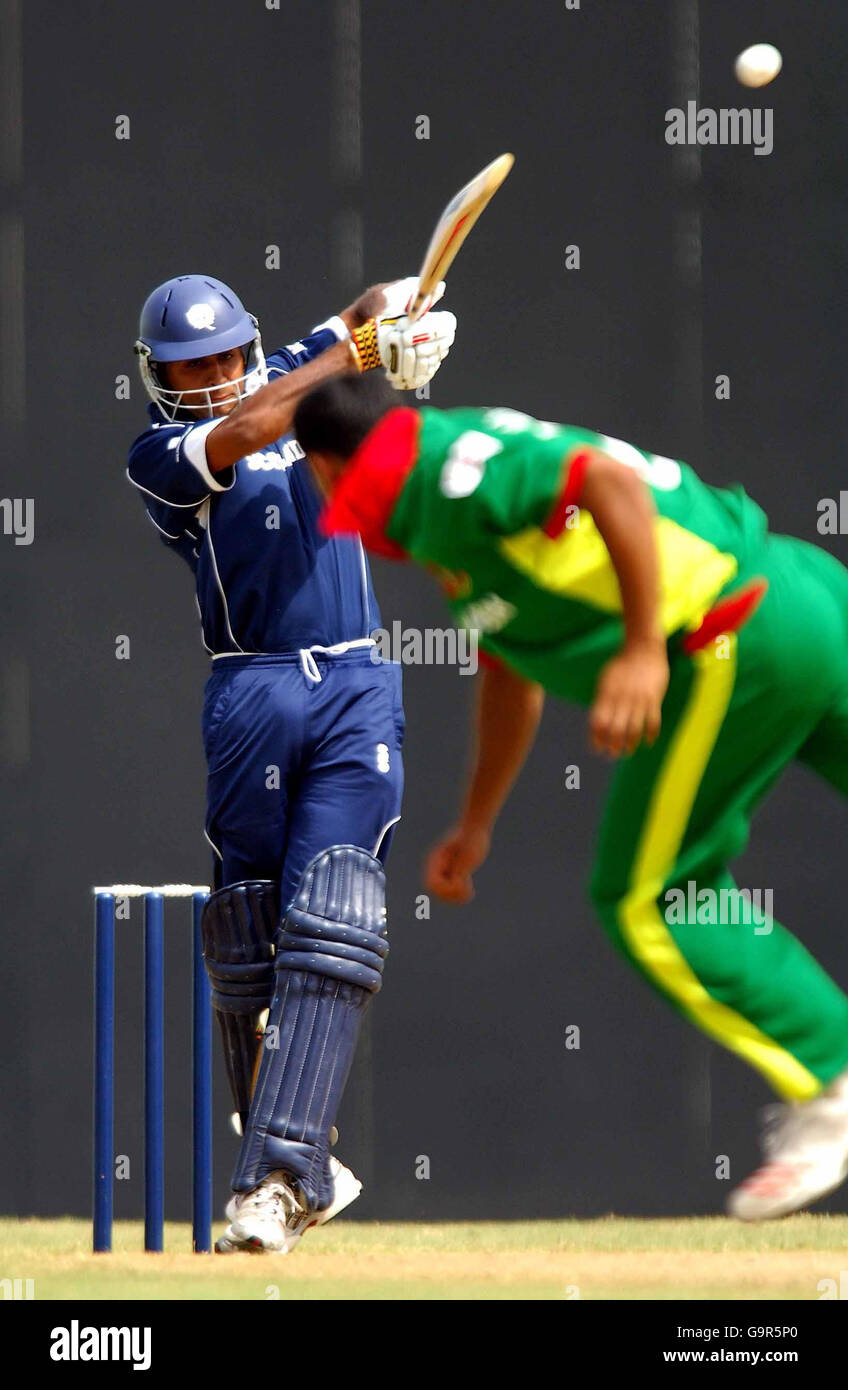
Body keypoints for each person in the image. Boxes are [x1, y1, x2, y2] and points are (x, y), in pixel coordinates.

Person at [293, 372, 848, 1221]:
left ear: (331, 471)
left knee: (649, 898)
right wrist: (477, 822)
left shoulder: (448, 474)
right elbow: (511, 670)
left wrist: (641, 650)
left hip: (730, 641)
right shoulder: (443, 494)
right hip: (802, 599)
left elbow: (605, 479)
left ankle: (831, 1076)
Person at [127, 274, 456, 1252]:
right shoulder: (161, 454)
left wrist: (411, 312)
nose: (214, 376)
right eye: (190, 366)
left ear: (247, 344)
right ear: (157, 376)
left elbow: (371, 303)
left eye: (225, 356)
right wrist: (351, 361)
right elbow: (245, 429)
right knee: (244, 928)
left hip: (354, 678)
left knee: (336, 908)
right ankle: (302, 1160)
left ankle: (274, 1177)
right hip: (252, 687)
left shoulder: (286, 371)